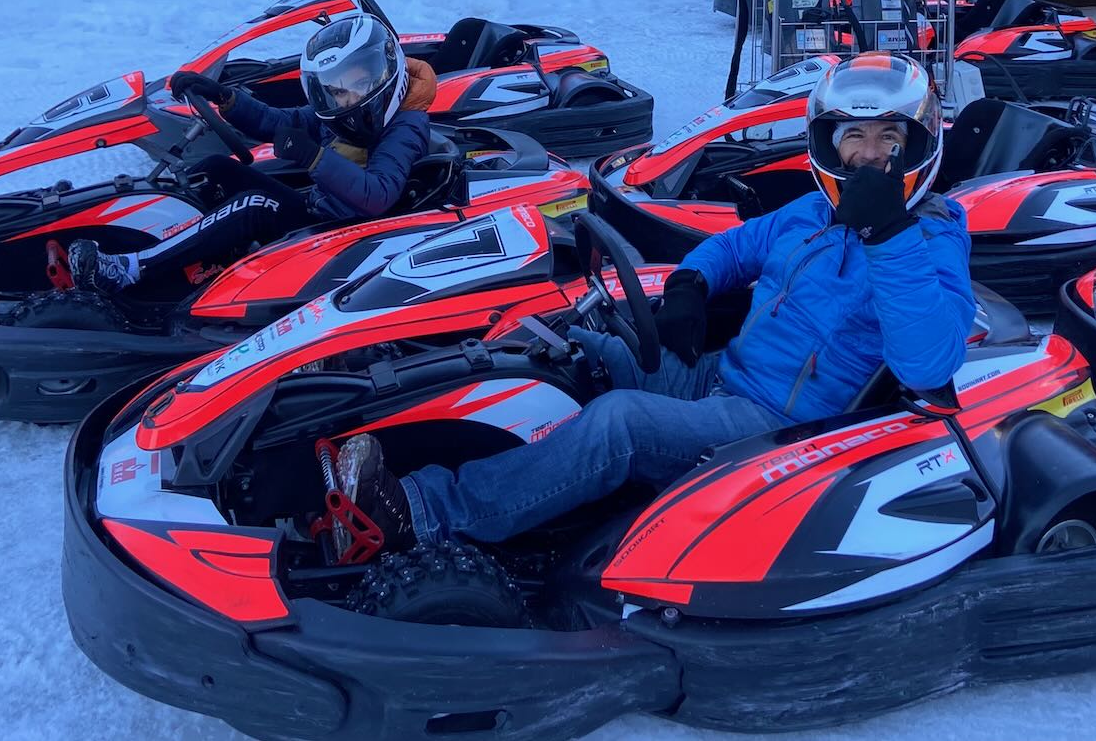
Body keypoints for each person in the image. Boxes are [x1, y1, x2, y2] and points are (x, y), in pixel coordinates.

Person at [339, 52, 974, 551]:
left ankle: (421, 514)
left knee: (621, 424)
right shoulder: (812, 210)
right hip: (720, 379)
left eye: (888, 138)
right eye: (853, 135)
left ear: (917, 144)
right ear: (827, 142)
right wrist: (689, 287)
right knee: (569, 339)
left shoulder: (932, 241)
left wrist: (886, 235)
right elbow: (729, 251)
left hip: (787, 432)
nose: (867, 154)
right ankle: (382, 418)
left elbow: (928, 364)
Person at [62, 13, 436, 296]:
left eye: (354, 85)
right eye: (335, 90)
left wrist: (315, 159)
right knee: (215, 169)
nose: (344, 97)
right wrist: (224, 98)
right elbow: (280, 121)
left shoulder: (405, 126)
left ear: (382, 74)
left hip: (342, 233)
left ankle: (131, 269)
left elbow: (378, 195)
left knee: (254, 205)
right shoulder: (342, 116)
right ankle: (191, 254)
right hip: (324, 206)